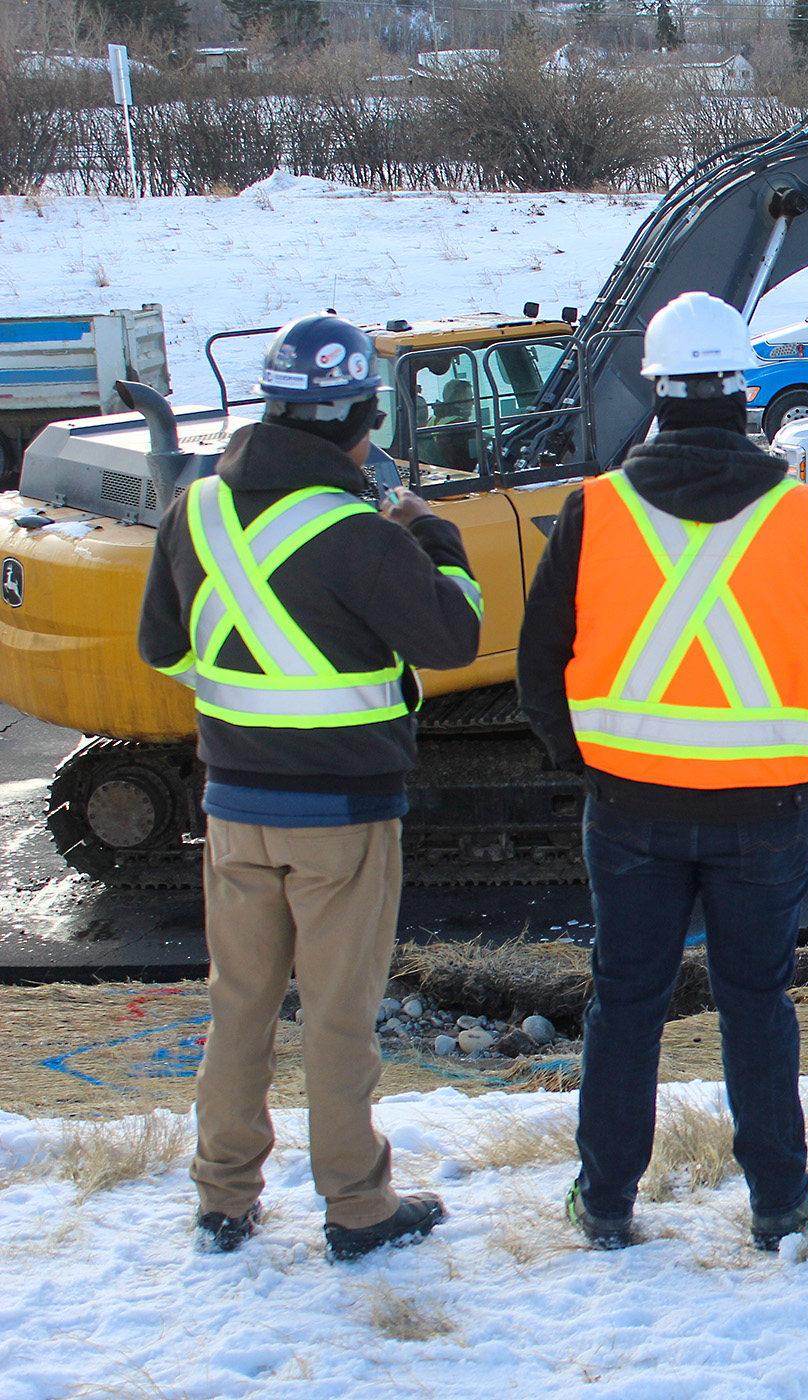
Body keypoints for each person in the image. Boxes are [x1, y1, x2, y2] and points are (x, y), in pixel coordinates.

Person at [516, 291, 808, 1252]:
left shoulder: (592, 512)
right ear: (743, 385)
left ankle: (603, 1201)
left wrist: (584, 762)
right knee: (754, 1000)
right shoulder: (803, 514)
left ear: (656, 392)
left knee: (625, 999)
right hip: (767, 811)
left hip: (630, 810)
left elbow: (536, 665)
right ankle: (774, 1204)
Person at [137, 313, 485, 1262]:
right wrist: (433, 534)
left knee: (239, 1004)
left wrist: (251, 713)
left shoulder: (193, 511)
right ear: (364, 419)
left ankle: (223, 1197)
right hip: (345, 817)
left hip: (233, 812)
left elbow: (163, 648)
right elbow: (454, 637)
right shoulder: (361, 534)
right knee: (336, 1019)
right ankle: (358, 1209)